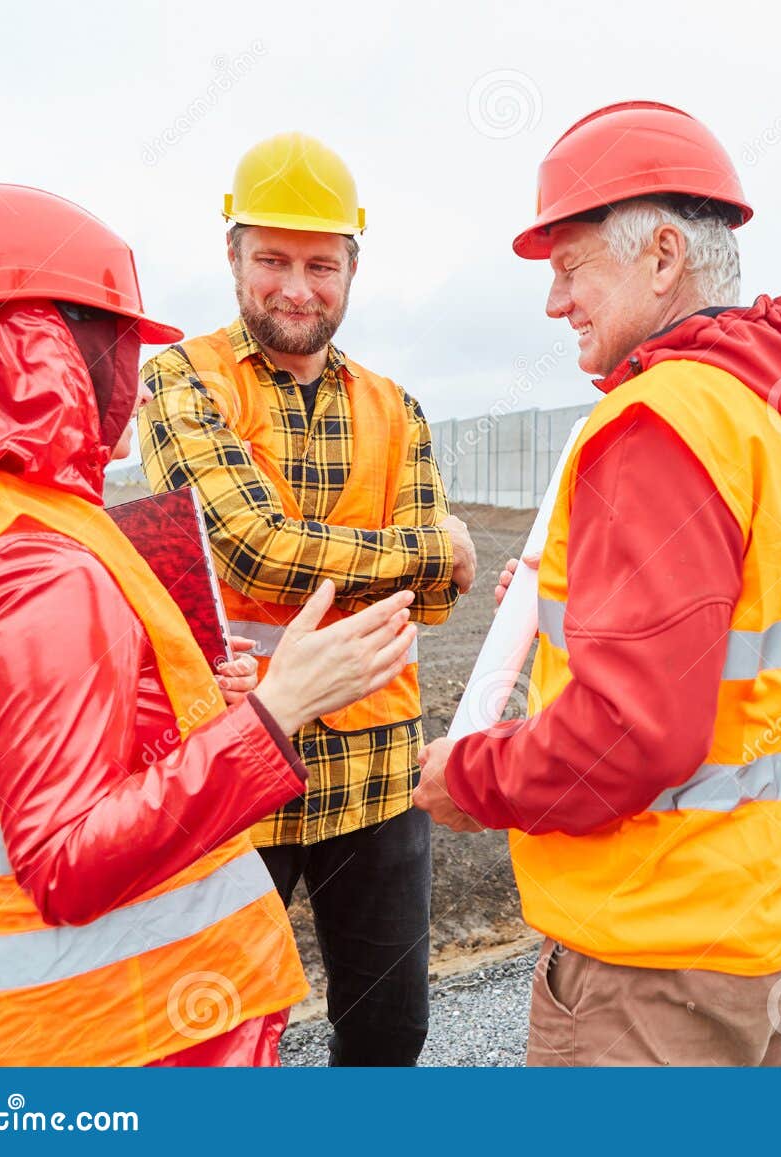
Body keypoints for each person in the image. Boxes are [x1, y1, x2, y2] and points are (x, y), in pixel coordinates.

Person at [0, 183, 418, 1066]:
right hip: (115, 1038)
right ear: (52, 345)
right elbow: (70, 859)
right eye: (118, 343)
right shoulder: (33, 560)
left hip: (33, 1035)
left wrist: (176, 693)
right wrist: (278, 711)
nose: (128, 376)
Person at [414, 102, 781, 1066]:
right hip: (778, 926)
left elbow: (629, 735)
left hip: (661, 955)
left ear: (662, 256)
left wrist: (470, 774)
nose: (554, 301)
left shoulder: (659, 421)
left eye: (571, 265)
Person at [137, 133, 475, 1066]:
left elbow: (432, 604)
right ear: (234, 258)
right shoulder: (180, 379)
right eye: (273, 260)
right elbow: (248, 545)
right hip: (236, 764)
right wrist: (426, 549)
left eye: (320, 265)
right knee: (220, 1032)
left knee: (388, 1032)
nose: (297, 287)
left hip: (376, 772)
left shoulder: (395, 406)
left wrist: (425, 572)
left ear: (352, 270)